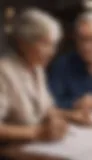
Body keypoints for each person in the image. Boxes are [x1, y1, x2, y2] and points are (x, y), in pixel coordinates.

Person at [0, 8, 67, 142]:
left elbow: (47, 108)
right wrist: (38, 132)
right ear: (23, 42)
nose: (51, 52)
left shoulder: (38, 69)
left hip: (35, 149)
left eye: (53, 45)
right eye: (45, 44)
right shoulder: (4, 72)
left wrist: (54, 119)